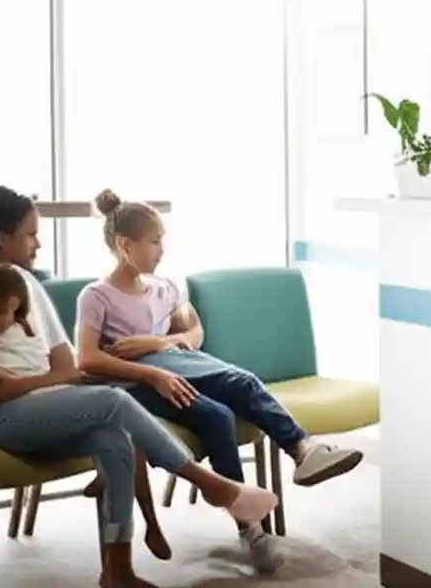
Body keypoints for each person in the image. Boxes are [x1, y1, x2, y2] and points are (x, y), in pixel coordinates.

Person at [0, 184, 279, 588]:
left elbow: (64, 365)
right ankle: (211, 484)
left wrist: (49, 383)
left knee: (113, 439)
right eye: (29, 234)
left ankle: (118, 571)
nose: (39, 243)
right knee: (111, 401)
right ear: (1, 237)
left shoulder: (28, 286)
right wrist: (40, 384)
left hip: (42, 406)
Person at [74, 189, 364, 575]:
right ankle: (253, 531)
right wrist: (150, 367)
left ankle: (301, 451)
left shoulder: (166, 288)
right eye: (155, 241)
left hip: (177, 365)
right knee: (221, 410)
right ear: (124, 245)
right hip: (140, 385)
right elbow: (88, 358)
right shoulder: (96, 297)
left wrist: (157, 342)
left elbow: (194, 333)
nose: (162, 249)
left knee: (236, 392)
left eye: (163, 240)